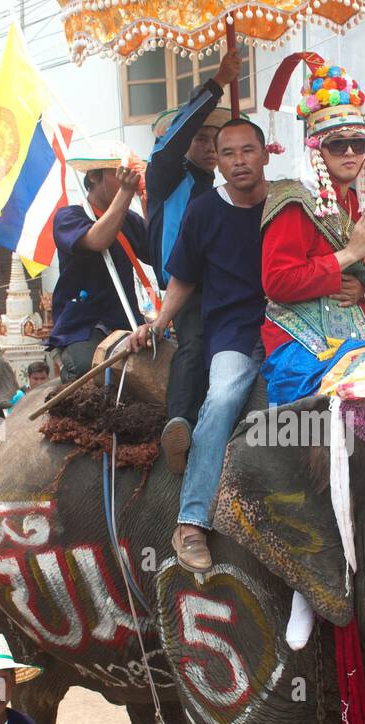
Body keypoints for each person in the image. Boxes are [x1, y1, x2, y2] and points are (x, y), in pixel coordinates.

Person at [128, 119, 271, 572]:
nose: (238, 160)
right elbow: (183, 277)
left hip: (293, 328)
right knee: (223, 396)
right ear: (219, 161)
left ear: (265, 154)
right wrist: (158, 321)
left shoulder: (287, 203)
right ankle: (191, 520)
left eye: (248, 150)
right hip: (234, 332)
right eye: (228, 153)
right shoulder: (205, 209)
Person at [258, 55, 365, 405]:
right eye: (337, 144)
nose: (350, 153)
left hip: (357, 324)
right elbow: (277, 283)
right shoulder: (292, 200)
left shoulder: (358, 203)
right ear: (317, 149)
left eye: (359, 143)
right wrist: (350, 254)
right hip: (298, 333)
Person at [146, 50, 241, 473]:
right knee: (194, 341)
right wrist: (219, 80)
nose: (208, 146)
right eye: (199, 138)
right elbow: (179, 137)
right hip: (185, 288)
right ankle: (179, 424)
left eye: (213, 139)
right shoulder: (165, 174)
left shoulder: (218, 187)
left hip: (227, 289)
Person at [49, 145, 148, 382]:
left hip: (125, 320)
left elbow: (159, 254)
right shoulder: (69, 217)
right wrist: (126, 192)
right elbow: (98, 239)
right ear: (94, 177)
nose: (128, 180)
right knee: (88, 369)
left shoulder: (130, 220)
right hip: (83, 324)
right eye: (120, 174)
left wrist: (148, 200)